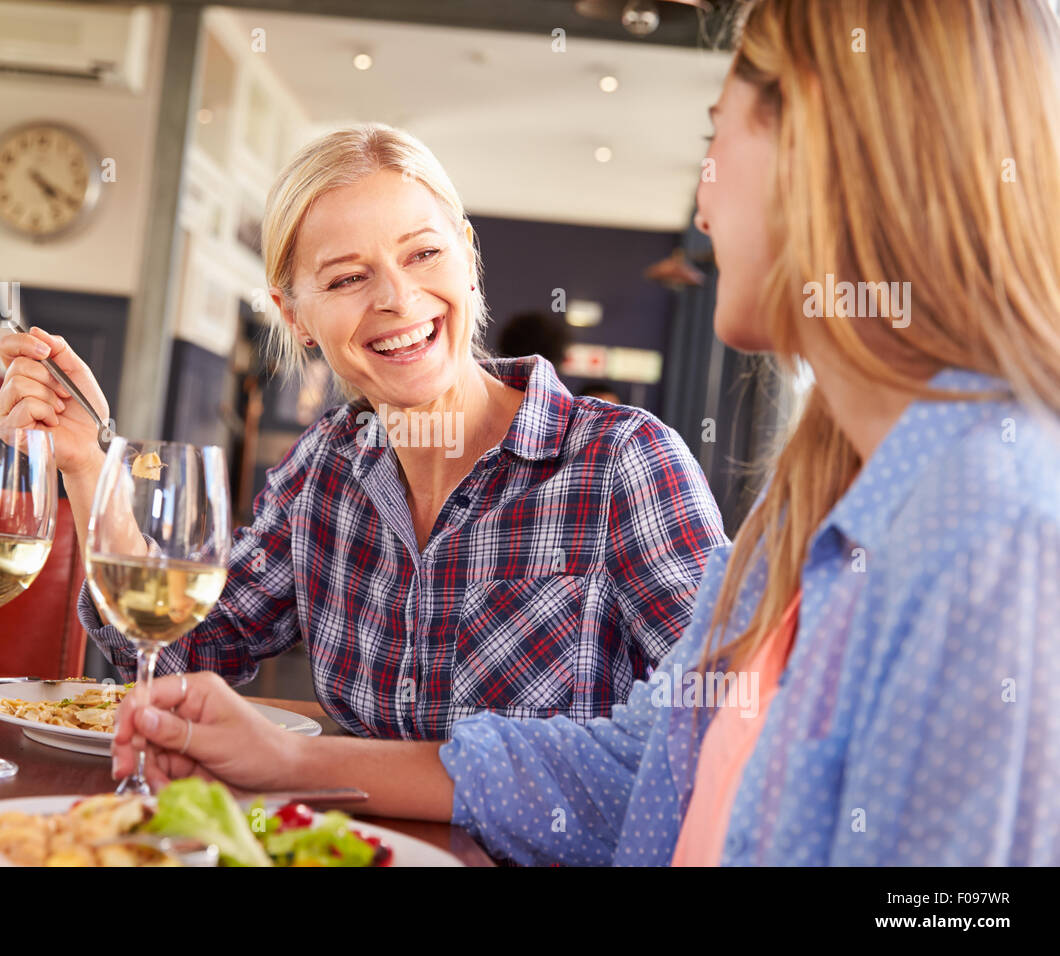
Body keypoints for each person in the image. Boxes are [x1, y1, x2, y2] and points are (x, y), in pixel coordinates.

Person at [109, 0, 1060, 865]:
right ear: (295, 310)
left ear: (827, 157)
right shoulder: (818, 493)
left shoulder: (993, 529)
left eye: (715, 138)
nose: (700, 200)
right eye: (348, 276)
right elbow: (645, 761)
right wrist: (280, 758)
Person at [0, 124, 728, 740]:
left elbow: (723, 730)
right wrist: (89, 470)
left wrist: (314, 765)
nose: (398, 298)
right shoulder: (326, 470)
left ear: (468, 260)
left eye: (423, 254)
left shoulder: (622, 461)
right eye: (347, 278)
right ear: (294, 317)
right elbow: (179, 649)